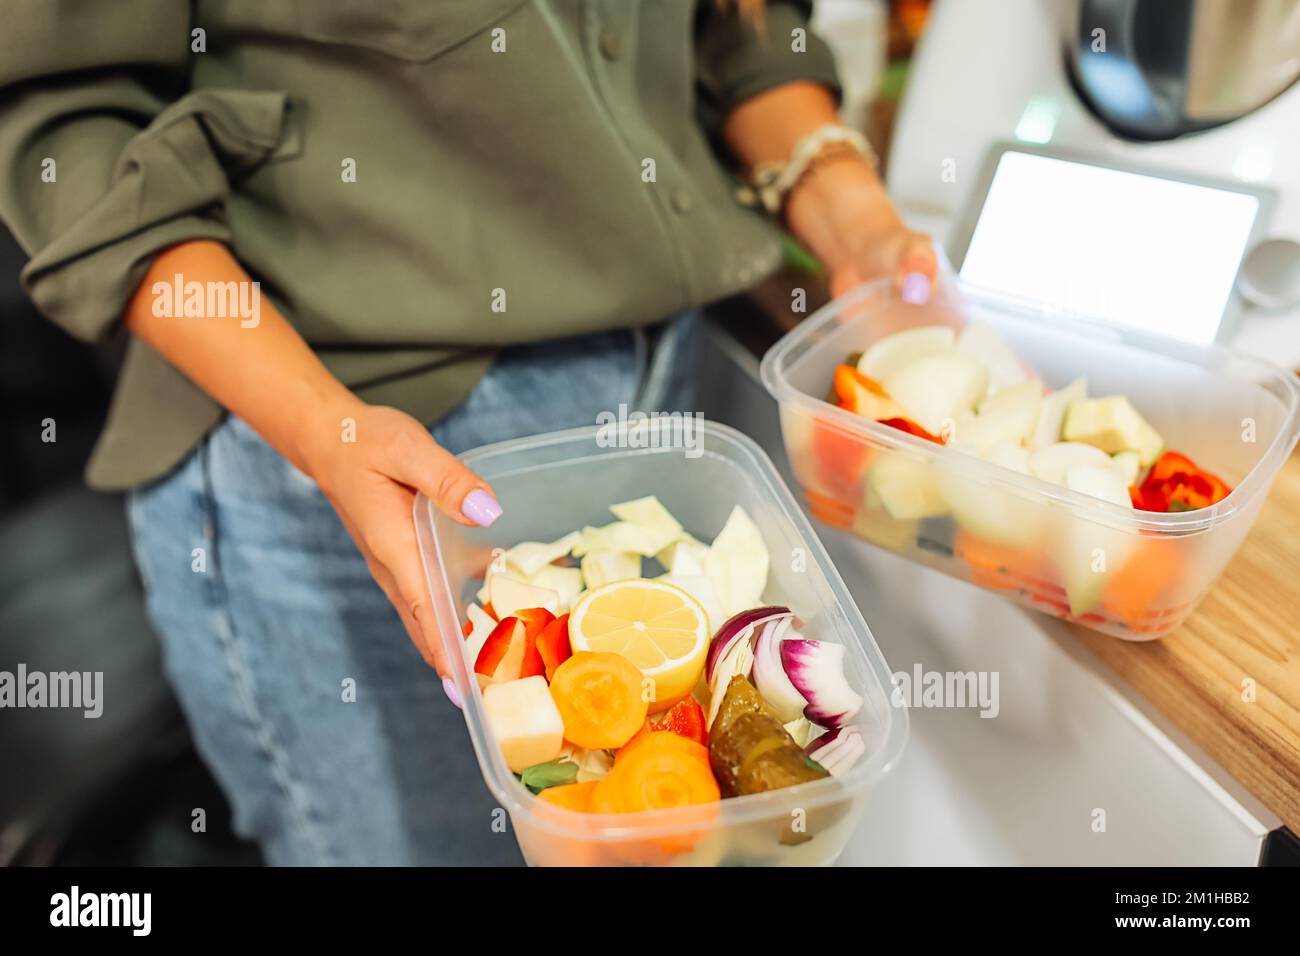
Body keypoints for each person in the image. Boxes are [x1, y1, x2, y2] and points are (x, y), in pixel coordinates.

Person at [0, 0, 934, 864]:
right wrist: (328, 431)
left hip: (658, 378)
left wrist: (847, 213)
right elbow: (68, 116)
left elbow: (734, 22)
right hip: (351, 438)